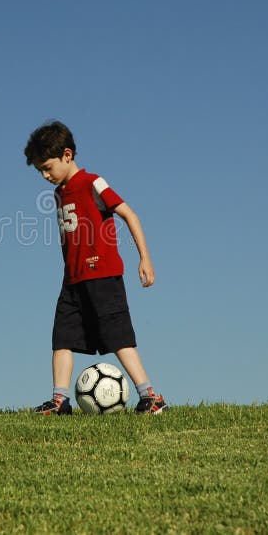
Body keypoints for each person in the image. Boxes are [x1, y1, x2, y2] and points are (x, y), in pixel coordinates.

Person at [24, 120, 168, 415]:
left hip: (102, 275)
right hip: (72, 280)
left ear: (67, 155)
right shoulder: (58, 193)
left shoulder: (93, 182)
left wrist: (145, 258)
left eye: (48, 166)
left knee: (118, 335)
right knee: (62, 338)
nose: (44, 174)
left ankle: (150, 396)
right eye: (40, 169)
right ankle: (59, 401)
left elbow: (130, 214)